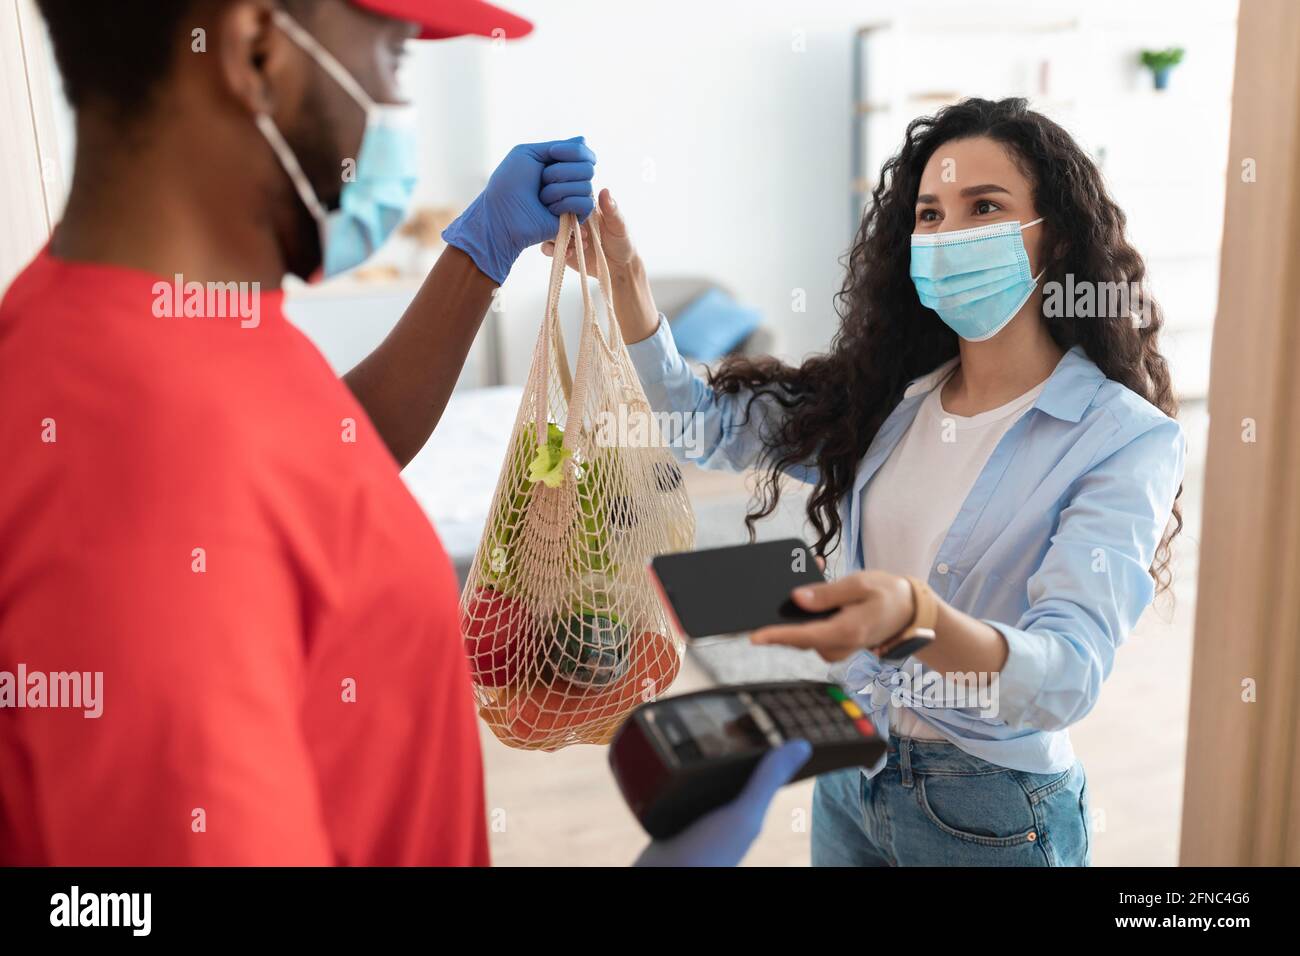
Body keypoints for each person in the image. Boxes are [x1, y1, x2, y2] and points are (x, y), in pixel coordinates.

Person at [0, 0, 803, 867]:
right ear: (256, 49)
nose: (396, 104)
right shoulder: (140, 445)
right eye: (392, 54)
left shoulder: (181, 331)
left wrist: (480, 253)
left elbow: (326, 459)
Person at [560, 97, 1186, 866]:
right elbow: (703, 425)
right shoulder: (895, 397)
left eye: (983, 206)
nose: (948, 234)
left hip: (990, 807)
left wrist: (912, 619)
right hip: (852, 767)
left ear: (1053, 239)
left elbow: (1066, 678)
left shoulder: (1122, 439)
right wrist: (626, 280)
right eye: (929, 213)